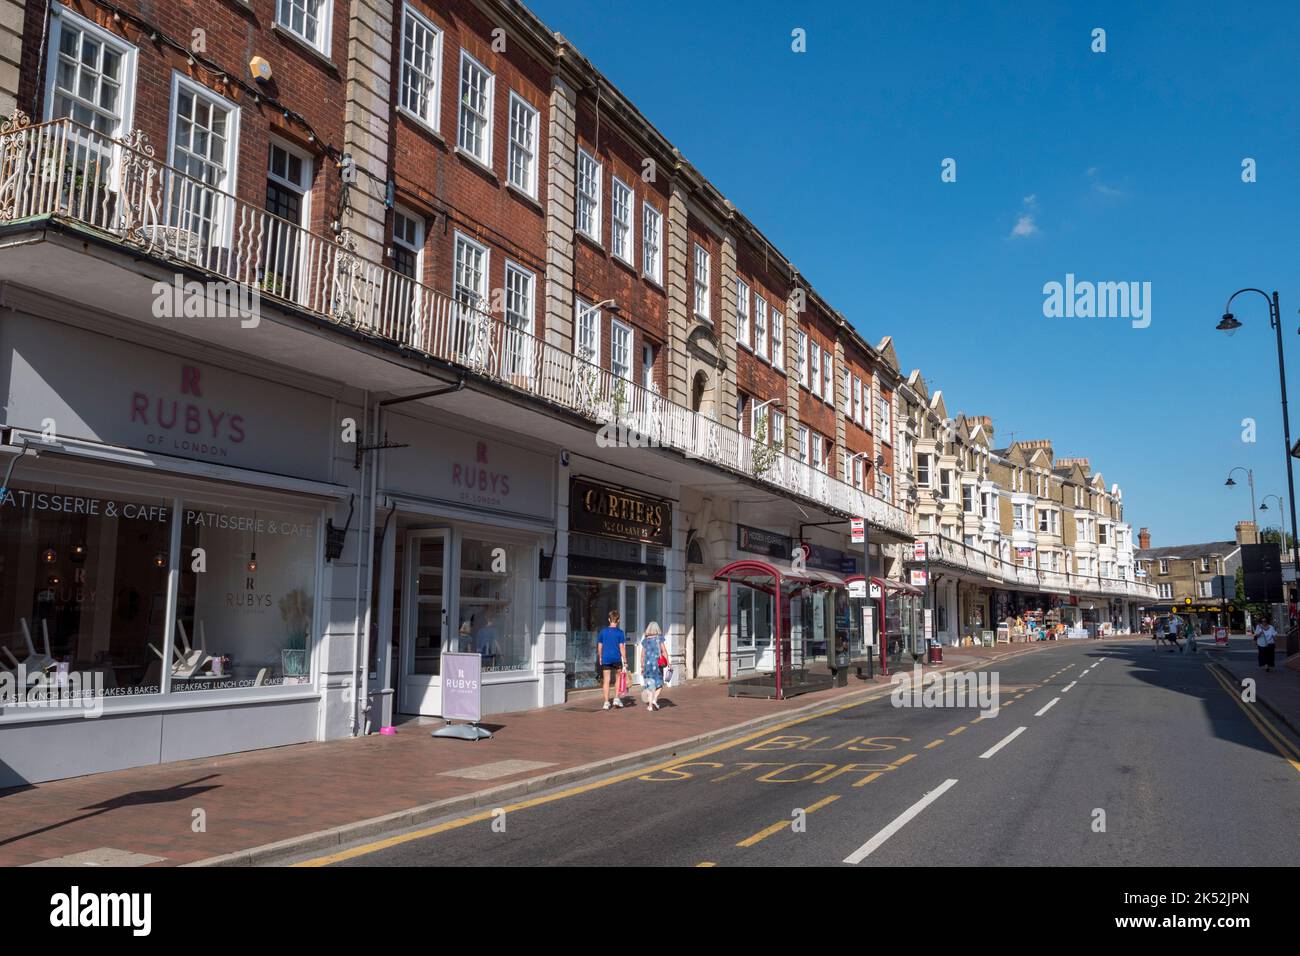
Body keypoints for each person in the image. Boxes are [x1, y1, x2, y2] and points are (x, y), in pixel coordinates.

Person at [597, 610, 627, 710]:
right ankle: (616, 698)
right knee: (618, 678)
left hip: (606, 658)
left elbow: (600, 646)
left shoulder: (603, 632)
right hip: (617, 658)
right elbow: (622, 647)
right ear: (618, 620)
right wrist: (625, 660)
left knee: (606, 680)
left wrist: (600, 656)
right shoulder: (620, 633)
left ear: (609, 619)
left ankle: (606, 702)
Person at [640, 621, 667, 712]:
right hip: (657, 665)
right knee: (659, 684)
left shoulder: (645, 640)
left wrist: (642, 666)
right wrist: (669, 663)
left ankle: (650, 706)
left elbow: (642, 655)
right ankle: (655, 699)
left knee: (649, 686)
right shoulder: (659, 638)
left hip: (647, 666)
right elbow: (664, 651)